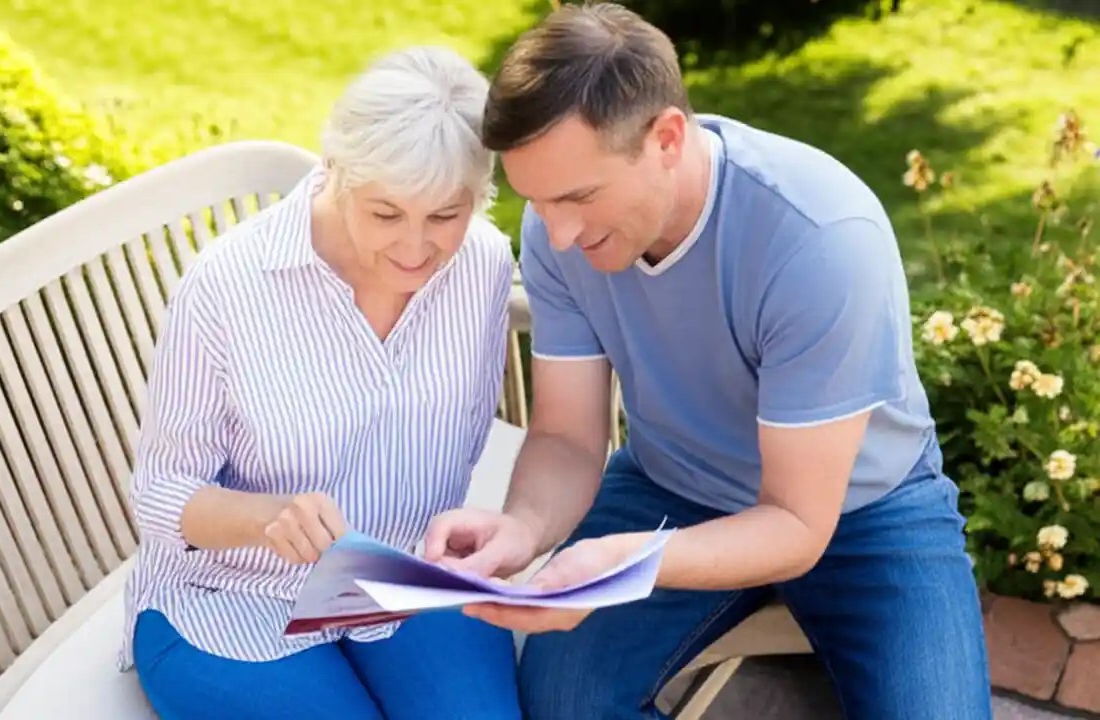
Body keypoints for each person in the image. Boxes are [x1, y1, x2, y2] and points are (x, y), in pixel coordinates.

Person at [423, 4, 992, 719]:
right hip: (673, 484)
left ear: (665, 138)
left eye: (579, 197)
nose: (558, 234)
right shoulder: (555, 227)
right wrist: (525, 528)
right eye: (538, 201)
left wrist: (622, 564)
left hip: (860, 508)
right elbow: (567, 437)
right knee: (560, 700)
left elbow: (794, 522)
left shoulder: (820, 239)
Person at [119, 46, 521, 720]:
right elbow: (160, 494)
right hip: (232, 597)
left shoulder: (480, 264)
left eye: (446, 215)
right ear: (336, 173)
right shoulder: (227, 286)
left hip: (404, 578)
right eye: (387, 214)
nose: (417, 248)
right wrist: (264, 517)